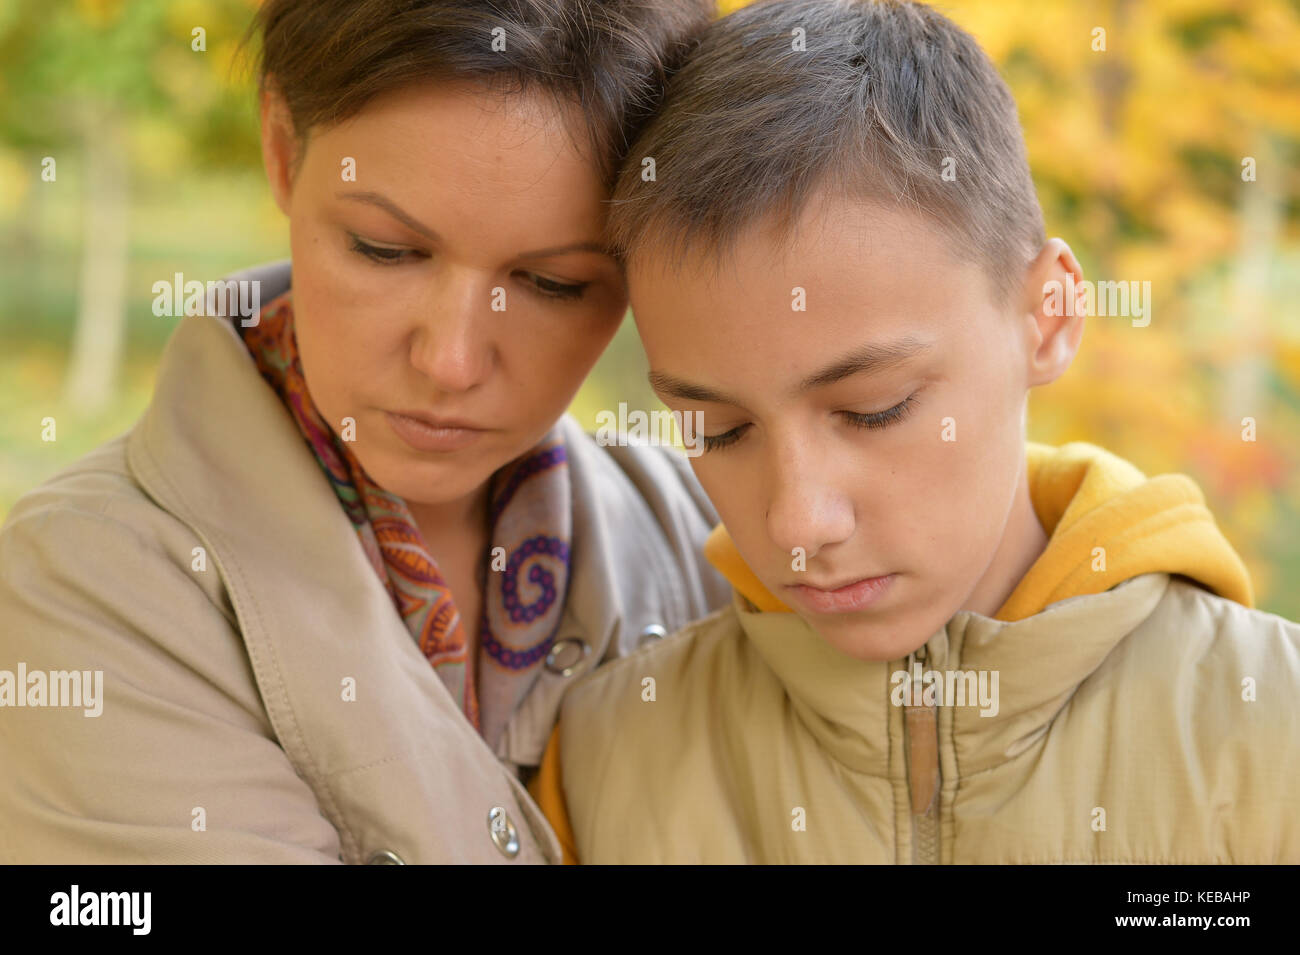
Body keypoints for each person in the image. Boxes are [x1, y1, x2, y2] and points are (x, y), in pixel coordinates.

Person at [530, 0, 1300, 863]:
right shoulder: (605, 760)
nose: (798, 522)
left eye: (874, 408)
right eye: (720, 429)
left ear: (1047, 316)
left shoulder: (1277, 733)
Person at [0, 0, 730, 864]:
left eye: (552, 282)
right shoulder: (78, 590)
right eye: (386, 248)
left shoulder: (710, 537)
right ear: (280, 144)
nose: (451, 362)